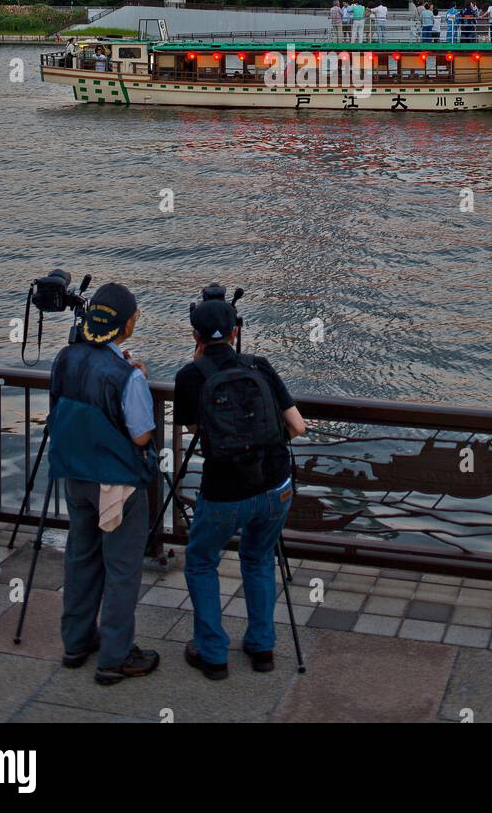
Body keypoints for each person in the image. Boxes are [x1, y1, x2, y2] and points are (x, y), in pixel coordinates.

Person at [174, 295, 306, 680]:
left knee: (201, 561)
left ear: (194, 334)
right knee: (259, 559)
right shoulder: (259, 366)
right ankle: (262, 648)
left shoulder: (188, 377)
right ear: (236, 332)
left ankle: (213, 655)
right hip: (276, 484)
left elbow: (200, 435)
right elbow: (298, 427)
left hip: (225, 492)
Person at [48, 284, 160, 685]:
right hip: (117, 486)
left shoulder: (65, 357)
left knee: (80, 560)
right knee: (122, 570)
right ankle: (115, 657)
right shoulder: (127, 376)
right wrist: (139, 379)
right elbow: (142, 436)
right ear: (126, 325)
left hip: (74, 476)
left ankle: (76, 642)